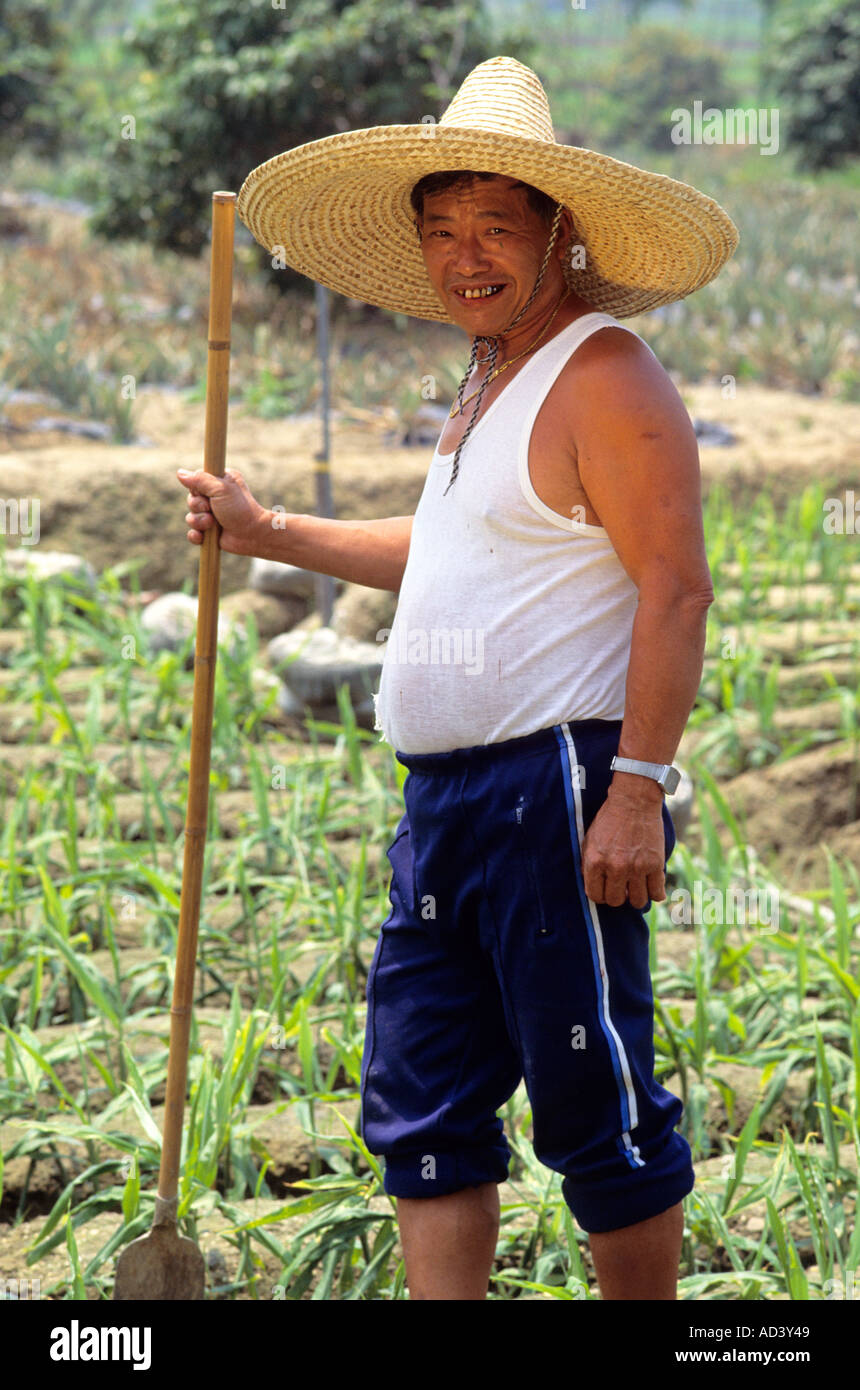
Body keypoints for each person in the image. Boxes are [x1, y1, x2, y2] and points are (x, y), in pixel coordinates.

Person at [178, 56, 738, 1300]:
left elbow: (675, 587)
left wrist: (635, 788)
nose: (464, 255)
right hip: (442, 806)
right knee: (423, 1103)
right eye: (440, 230)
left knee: (596, 1102)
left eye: (494, 225)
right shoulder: (485, 379)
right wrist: (268, 529)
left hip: (553, 788)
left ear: (560, 231)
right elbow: (442, 553)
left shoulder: (604, 374)